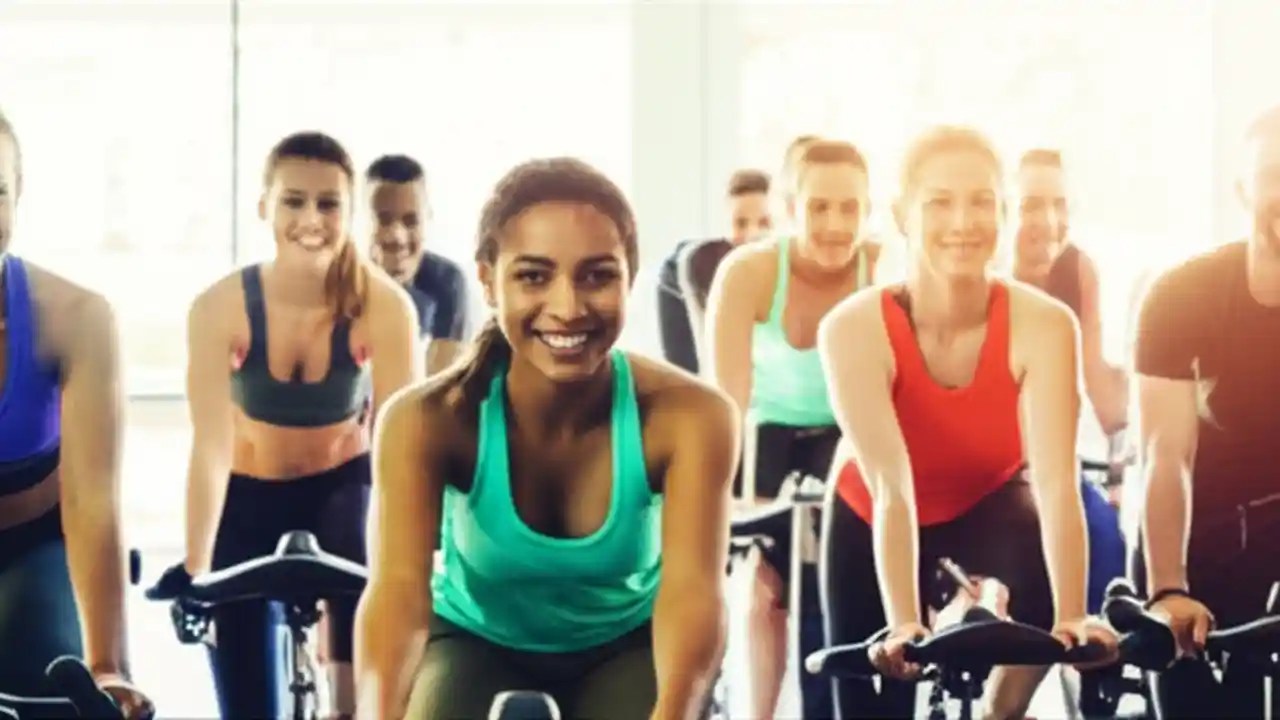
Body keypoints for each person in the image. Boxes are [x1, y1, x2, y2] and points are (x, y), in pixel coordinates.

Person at [353, 157, 736, 720]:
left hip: (625, 646)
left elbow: (694, 592)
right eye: (534, 275)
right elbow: (398, 593)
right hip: (473, 642)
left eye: (597, 275)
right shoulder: (427, 418)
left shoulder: (691, 415)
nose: (568, 307)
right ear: (487, 280)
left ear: (629, 276)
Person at [817, 125, 1116, 719]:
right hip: (871, 512)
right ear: (903, 215)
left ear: (1004, 211)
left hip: (989, 502)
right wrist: (903, 621)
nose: (964, 222)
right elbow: (892, 490)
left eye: (982, 201)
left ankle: (998, 713)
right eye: (940, 202)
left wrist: (1072, 615)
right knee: (870, 696)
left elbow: (1057, 485)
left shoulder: (1045, 325)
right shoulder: (853, 327)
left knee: (1036, 550)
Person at [170, 131, 420, 719]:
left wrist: (407, 567)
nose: (312, 219)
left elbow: (402, 447)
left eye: (329, 204)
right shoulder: (219, 307)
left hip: (341, 491)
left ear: (350, 212)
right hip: (246, 498)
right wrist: (193, 565)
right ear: (265, 207)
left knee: (363, 701)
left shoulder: (385, 307)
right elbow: (209, 449)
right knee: (247, 704)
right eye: (294, 201)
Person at [705, 138, 878, 720]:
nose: (835, 225)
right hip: (767, 444)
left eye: (850, 209)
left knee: (849, 588)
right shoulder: (748, 273)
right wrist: (726, 499)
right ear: (788, 207)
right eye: (819, 207)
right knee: (760, 594)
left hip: (848, 438)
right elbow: (723, 401)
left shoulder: (882, 270)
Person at [0, 108, 152, 718]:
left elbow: (92, 501)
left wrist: (109, 662)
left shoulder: (76, 317)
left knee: (54, 679)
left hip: (40, 545)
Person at [1133, 104, 1280, 719]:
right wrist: (1170, 587)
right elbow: (1167, 457)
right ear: (1244, 188)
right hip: (1204, 540)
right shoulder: (1181, 295)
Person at [1011, 148, 1127, 615]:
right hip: (985, 470)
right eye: (1031, 205)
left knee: (1108, 545)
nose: (1050, 220)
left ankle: (1092, 668)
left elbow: (1099, 386)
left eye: (1060, 205)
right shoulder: (976, 277)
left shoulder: (1077, 270)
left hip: (1051, 464)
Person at [656, 167, 777, 374]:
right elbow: (683, 372)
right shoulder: (687, 270)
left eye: (765, 222)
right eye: (740, 223)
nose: (753, 234)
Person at [365, 154, 470, 375]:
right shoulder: (337, 280)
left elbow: (442, 381)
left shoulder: (446, 282)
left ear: (428, 219)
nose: (398, 237)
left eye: (411, 222)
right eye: (383, 220)